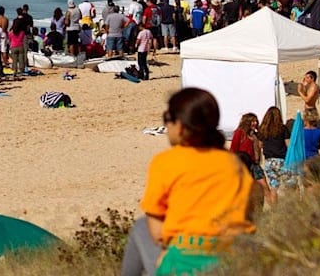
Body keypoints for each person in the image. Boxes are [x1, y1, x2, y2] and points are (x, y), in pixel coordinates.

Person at [120, 88, 255, 276]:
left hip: (186, 263)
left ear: (180, 127)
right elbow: (247, 213)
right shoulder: (234, 164)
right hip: (236, 259)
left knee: (142, 226)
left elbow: (157, 232)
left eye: (167, 119)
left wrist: (167, 253)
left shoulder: (165, 162)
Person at [257, 106, 290, 197]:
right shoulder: (283, 128)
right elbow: (288, 144)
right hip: (281, 159)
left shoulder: (263, 129)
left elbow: (260, 145)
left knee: (274, 187)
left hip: (269, 161)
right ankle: (289, 207)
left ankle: (274, 209)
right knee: (287, 185)